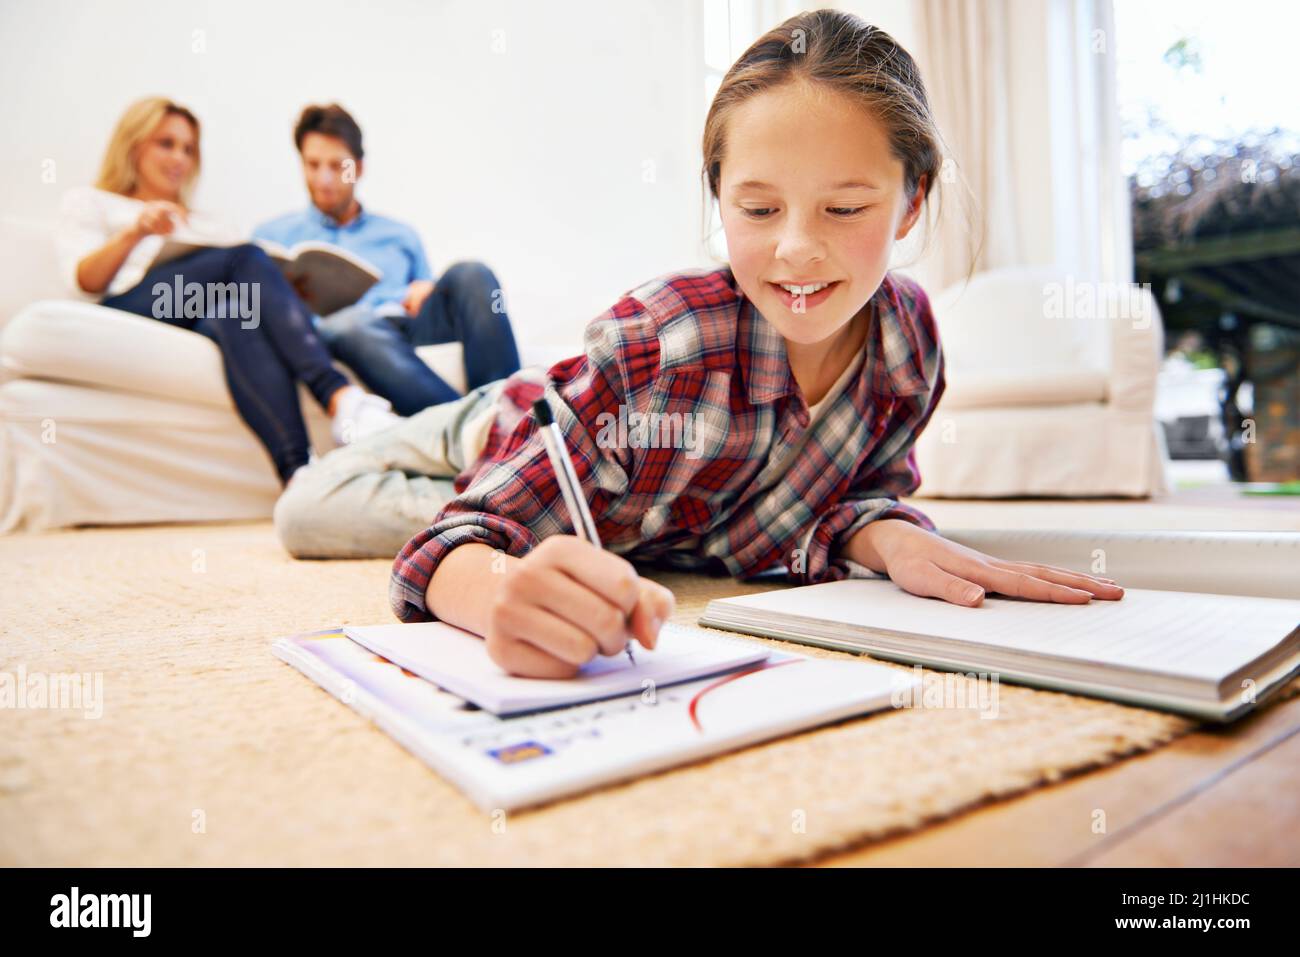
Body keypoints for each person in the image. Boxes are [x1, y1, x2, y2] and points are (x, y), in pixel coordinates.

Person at [277, 10, 1124, 678]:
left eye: (845, 208)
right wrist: (497, 587)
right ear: (718, 196)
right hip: (523, 422)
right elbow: (448, 544)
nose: (796, 248)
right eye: (758, 211)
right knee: (305, 509)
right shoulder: (660, 347)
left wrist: (888, 535)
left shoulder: (910, 346)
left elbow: (850, 496)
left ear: (910, 202)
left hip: (632, 508)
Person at [58, 96, 394, 484]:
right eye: (166, 143)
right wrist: (137, 230)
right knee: (245, 258)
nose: (179, 158)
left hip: (197, 311)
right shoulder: (92, 203)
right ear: (133, 145)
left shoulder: (206, 223)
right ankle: (340, 397)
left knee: (235, 314)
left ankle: (299, 472)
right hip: (132, 305)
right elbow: (85, 280)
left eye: (188, 148)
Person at [254, 104, 521, 417]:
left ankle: (509, 413)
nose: (324, 179)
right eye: (313, 165)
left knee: (474, 273)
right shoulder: (271, 237)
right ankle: (475, 427)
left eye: (338, 166)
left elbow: (430, 295)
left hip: (404, 327)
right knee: (350, 322)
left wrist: (425, 290)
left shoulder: (399, 234)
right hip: (339, 334)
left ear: (359, 168)